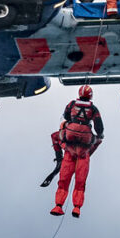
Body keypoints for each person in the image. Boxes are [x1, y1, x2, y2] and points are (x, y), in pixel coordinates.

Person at [49, 85, 104, 218]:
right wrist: (99, 135)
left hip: (69, 150)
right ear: (91, 95)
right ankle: (77, 207)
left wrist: (67, 128)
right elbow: (99, 127)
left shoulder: (72, 104)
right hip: (84, 152)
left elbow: (66, 117)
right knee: (80, 182)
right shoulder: (93, 108)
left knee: (64, 180)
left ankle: (58, 205)